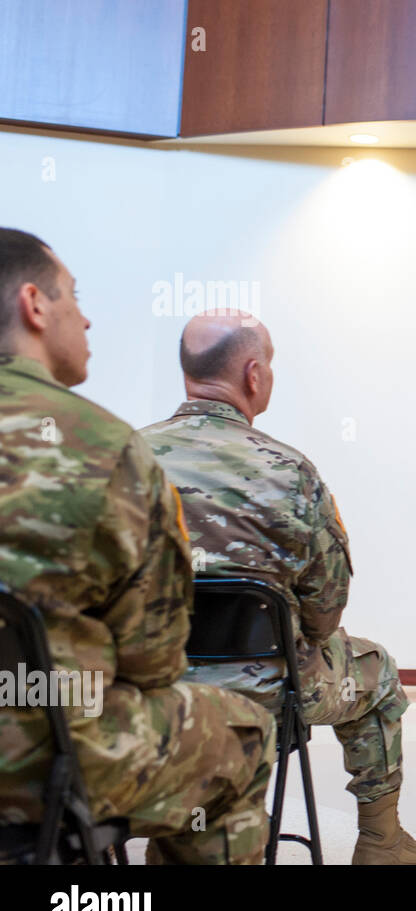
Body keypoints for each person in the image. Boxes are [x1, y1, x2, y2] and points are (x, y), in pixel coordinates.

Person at [0, 229, 275, 864]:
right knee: (240, 733)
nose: (86, 316)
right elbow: (153, 659)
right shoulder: (103, 446)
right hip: (42, 754)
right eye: (74, 296)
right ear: (35, 305)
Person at [140, 309, 416, 865]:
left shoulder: (125, 459)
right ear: (254, 375)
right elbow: (325, 609)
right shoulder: (289, 471)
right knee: (375, 670)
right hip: (269, 693)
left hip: (148, 692)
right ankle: (381, 842)